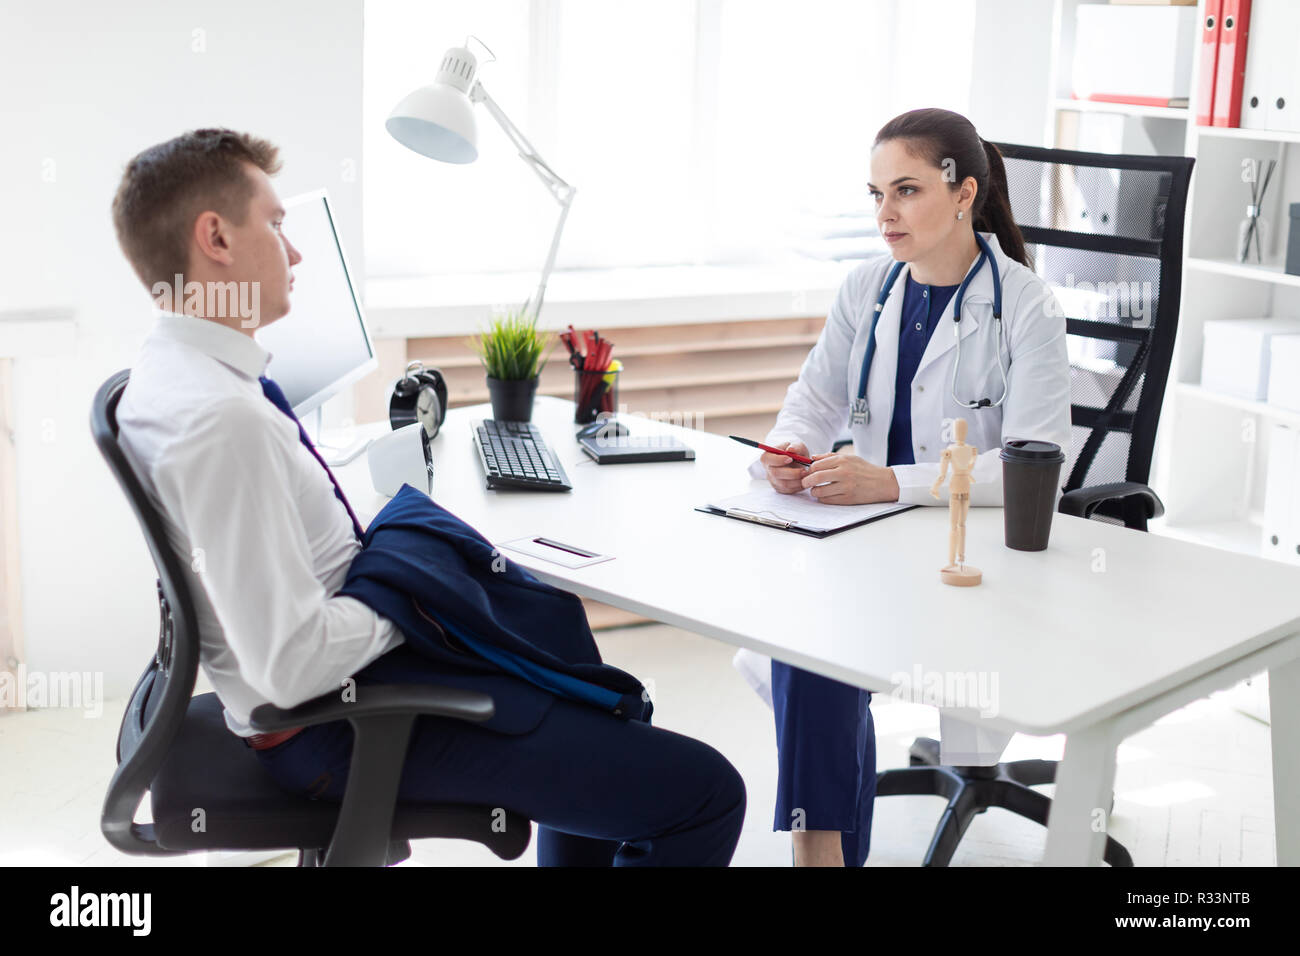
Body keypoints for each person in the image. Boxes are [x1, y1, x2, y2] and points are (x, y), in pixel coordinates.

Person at [111, 128, 745, 866]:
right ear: (215, 238)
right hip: (334, 729)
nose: (295, 252)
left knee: (556, 657)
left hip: (328, 699)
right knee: (707, 795)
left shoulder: (173, 372)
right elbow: (291, 666)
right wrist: (412, 596)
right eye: (277, 224)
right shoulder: (224, 421)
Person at [741, 108, 1071, 866]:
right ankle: (821, 853)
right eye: (875, 193)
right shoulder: (869, 288)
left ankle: (817, 855)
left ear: (964, 194)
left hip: (969, 556)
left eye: (906, 190)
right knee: (810, 634)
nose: (884, 214)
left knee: (820, 641)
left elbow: (1030, 466)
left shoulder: (1027, 307)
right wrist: (789, 450)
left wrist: (889, 481)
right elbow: (812, 403)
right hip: (867, 537)